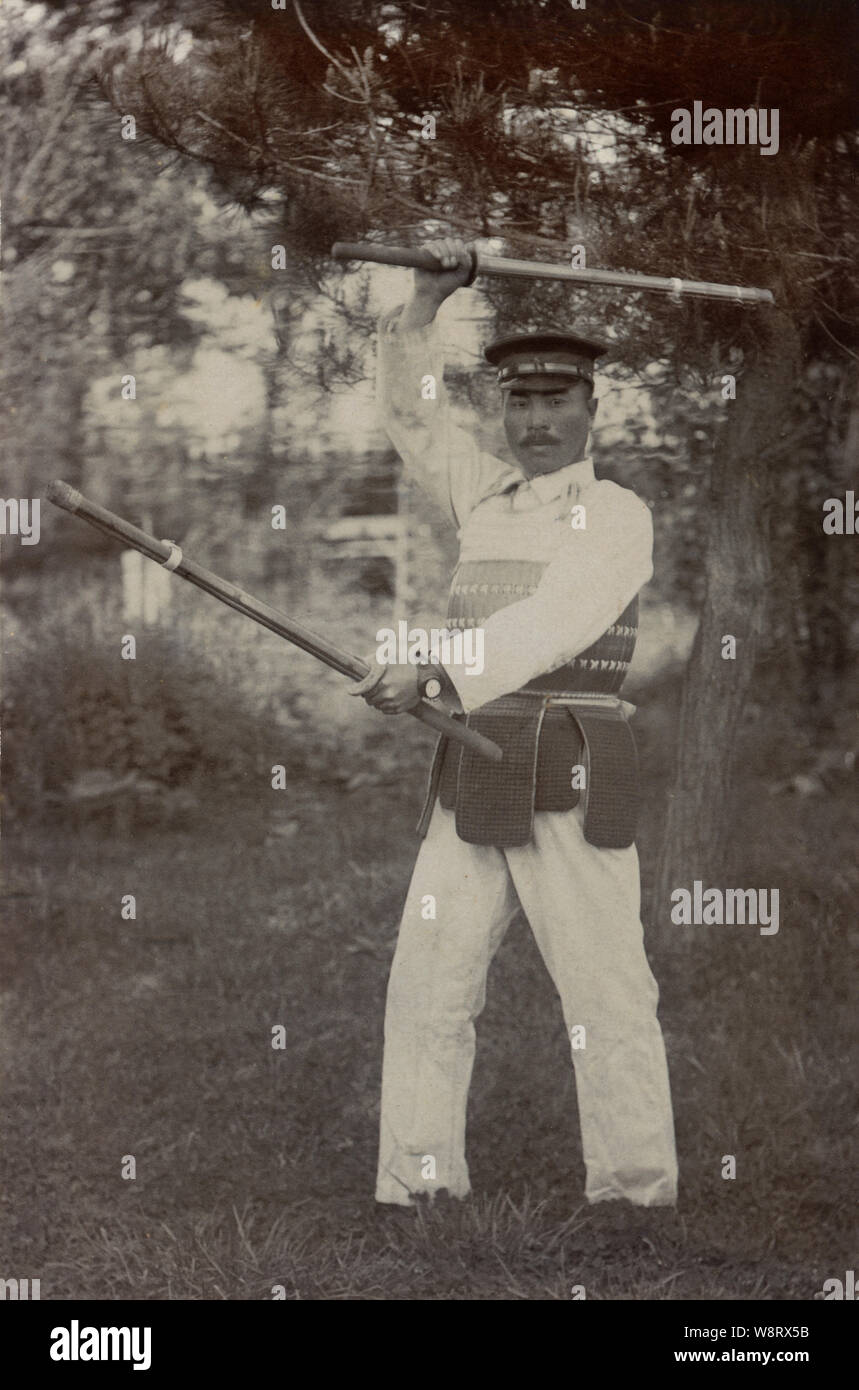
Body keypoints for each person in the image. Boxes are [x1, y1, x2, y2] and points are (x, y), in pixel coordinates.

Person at [349, 236, 678, 1211]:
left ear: (589, 410)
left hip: (572, 769)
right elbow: (409, 408)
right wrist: (421, 306)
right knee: (427, 981)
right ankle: (417, 1190)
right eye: (519, 403)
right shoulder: (481, 496)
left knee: (604, 991)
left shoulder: (617, 515)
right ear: (504, 411)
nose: (535, 420)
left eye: (555, 402)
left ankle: (632, 1196)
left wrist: (434, 667)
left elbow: (550, 624)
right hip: (473, 769)